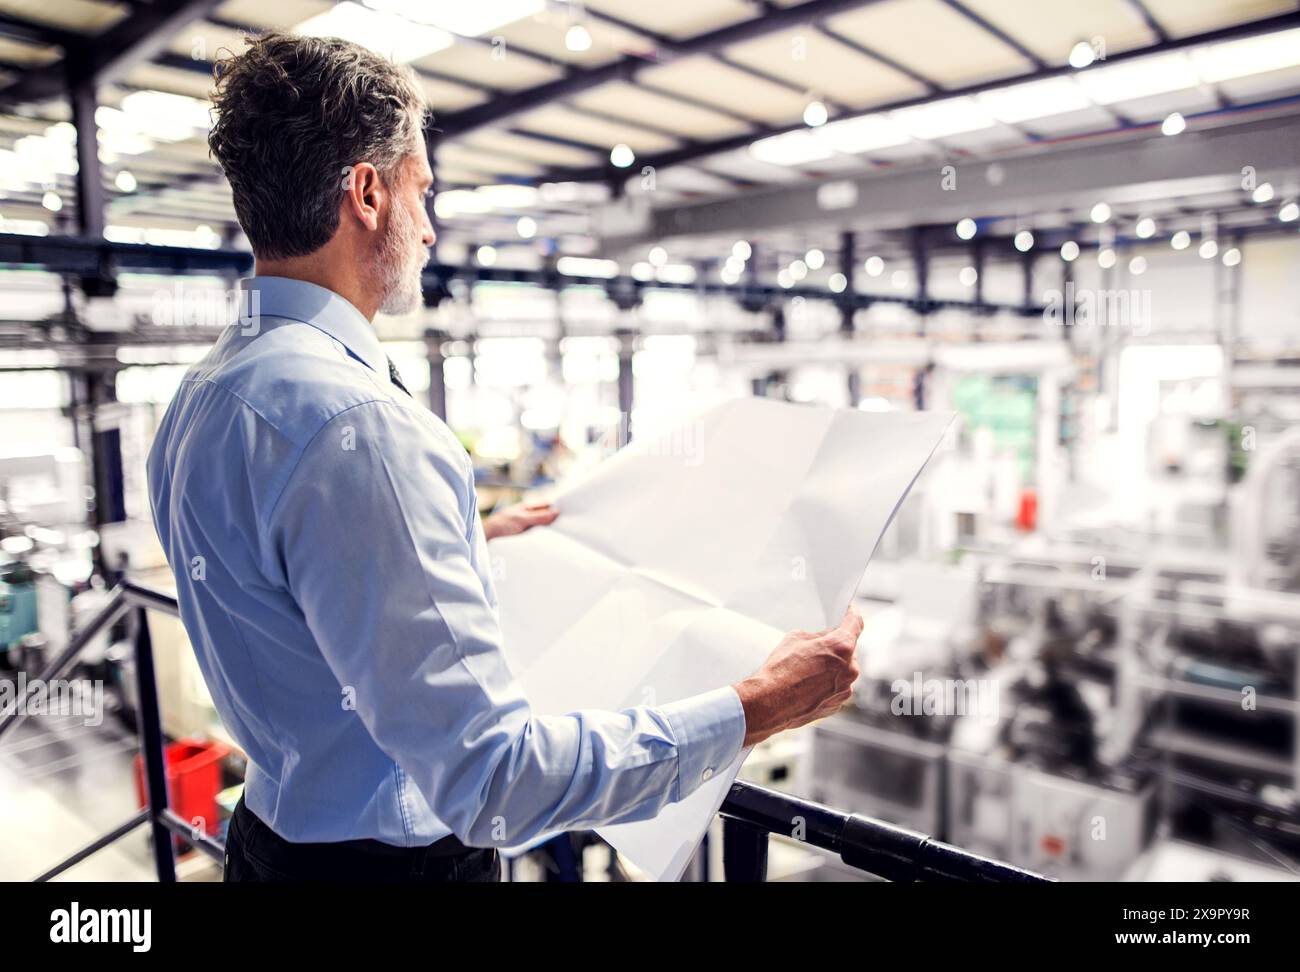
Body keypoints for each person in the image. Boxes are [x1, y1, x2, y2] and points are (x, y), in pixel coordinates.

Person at [146, 32, 861, 883]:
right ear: (368, 194)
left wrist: (460, 542)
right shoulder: (363, 428)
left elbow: (287, 596)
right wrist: (755, 708)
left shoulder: (207, 394)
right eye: (424, 193)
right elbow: (496, 782)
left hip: (271, 848)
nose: (431, 228)